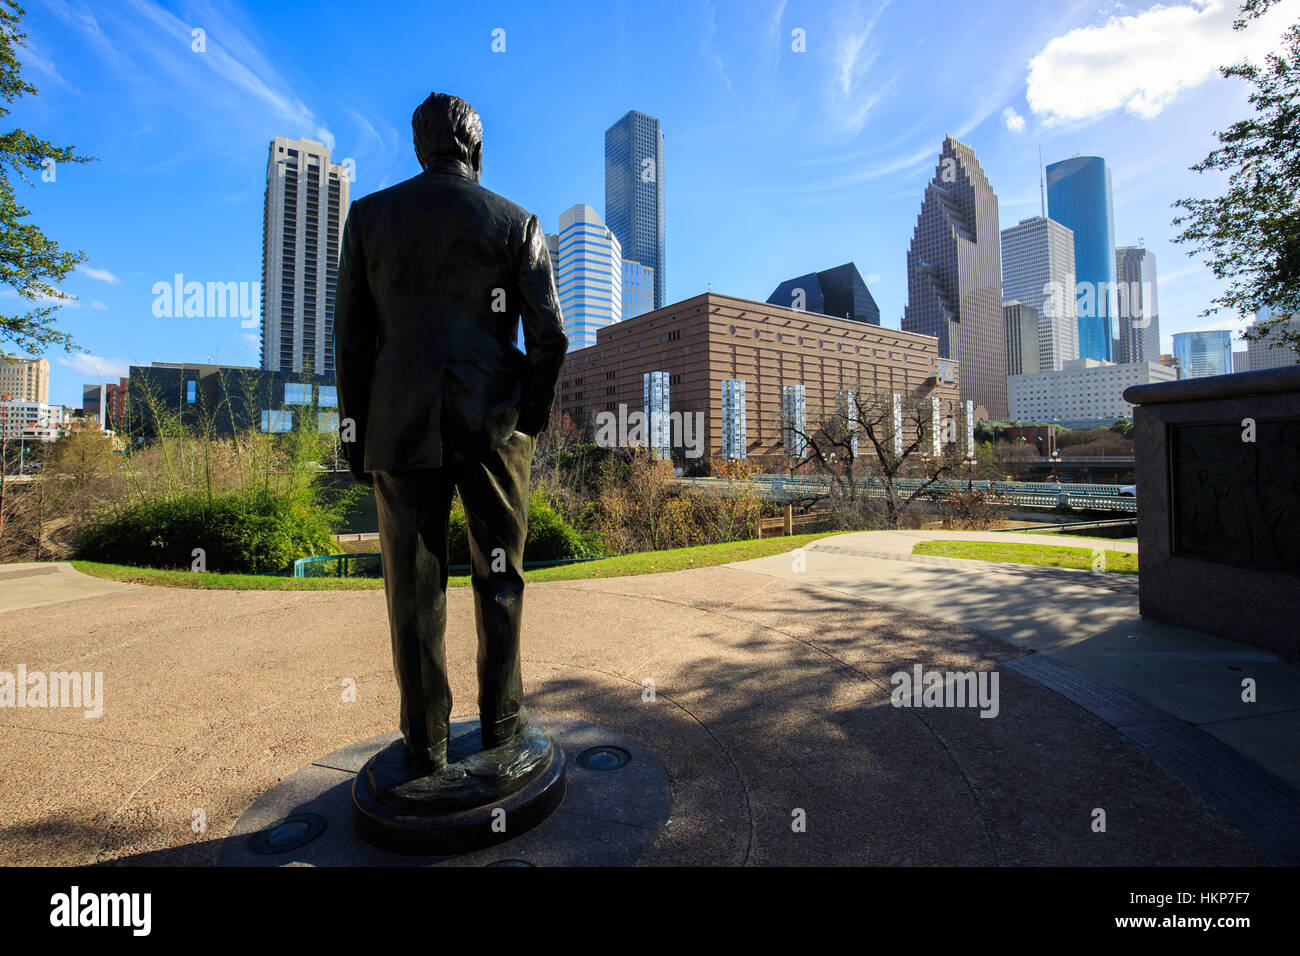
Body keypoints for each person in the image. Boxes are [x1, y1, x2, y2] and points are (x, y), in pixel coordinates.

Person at [334, 92, 567, 773]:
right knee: (500, 578)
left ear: (419, 145)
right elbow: (549, 335)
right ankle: (501, 723)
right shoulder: (515, 222)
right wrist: (528, 417)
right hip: (492, 425)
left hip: (397, 427)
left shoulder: (369, 218)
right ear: (475, 147)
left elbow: (351, 339)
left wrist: (356, 435)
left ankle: (425, 744)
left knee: (412, 590)